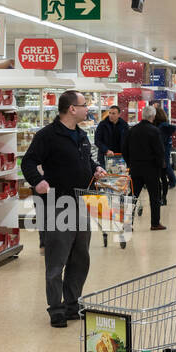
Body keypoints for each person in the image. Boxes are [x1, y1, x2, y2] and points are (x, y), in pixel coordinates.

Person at [21, 91, 106, 327]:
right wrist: (37, 182)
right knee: (57, 259)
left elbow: (86, 160)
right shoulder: (47, 136)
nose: (87, 108)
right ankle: (55, 308)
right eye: (84, 104)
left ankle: (72, 303)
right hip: (58, 203)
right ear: (71, 109)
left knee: (81, 258)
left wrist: (96, 167)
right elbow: (28, 161)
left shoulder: (81, 135)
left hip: (81, 201)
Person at [124, 104, 167, 230]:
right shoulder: (154, 131)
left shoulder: (132, 130)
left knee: (132, 196)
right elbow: (160, 151)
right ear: (153, 116)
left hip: (135, 168)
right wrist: (160, 166)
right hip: (151, 169)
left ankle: (127, 224)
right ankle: (155, 223)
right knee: (154, 197)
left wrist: (129, 163)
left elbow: (124, 149)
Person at [153, 105, 176, 204]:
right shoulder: (164, 126)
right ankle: (164, 196)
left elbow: (159, 142)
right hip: (164, 153)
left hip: (160, 154)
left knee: (161, 175)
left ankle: (162, 197)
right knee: (164, 173)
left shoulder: (161, 127)